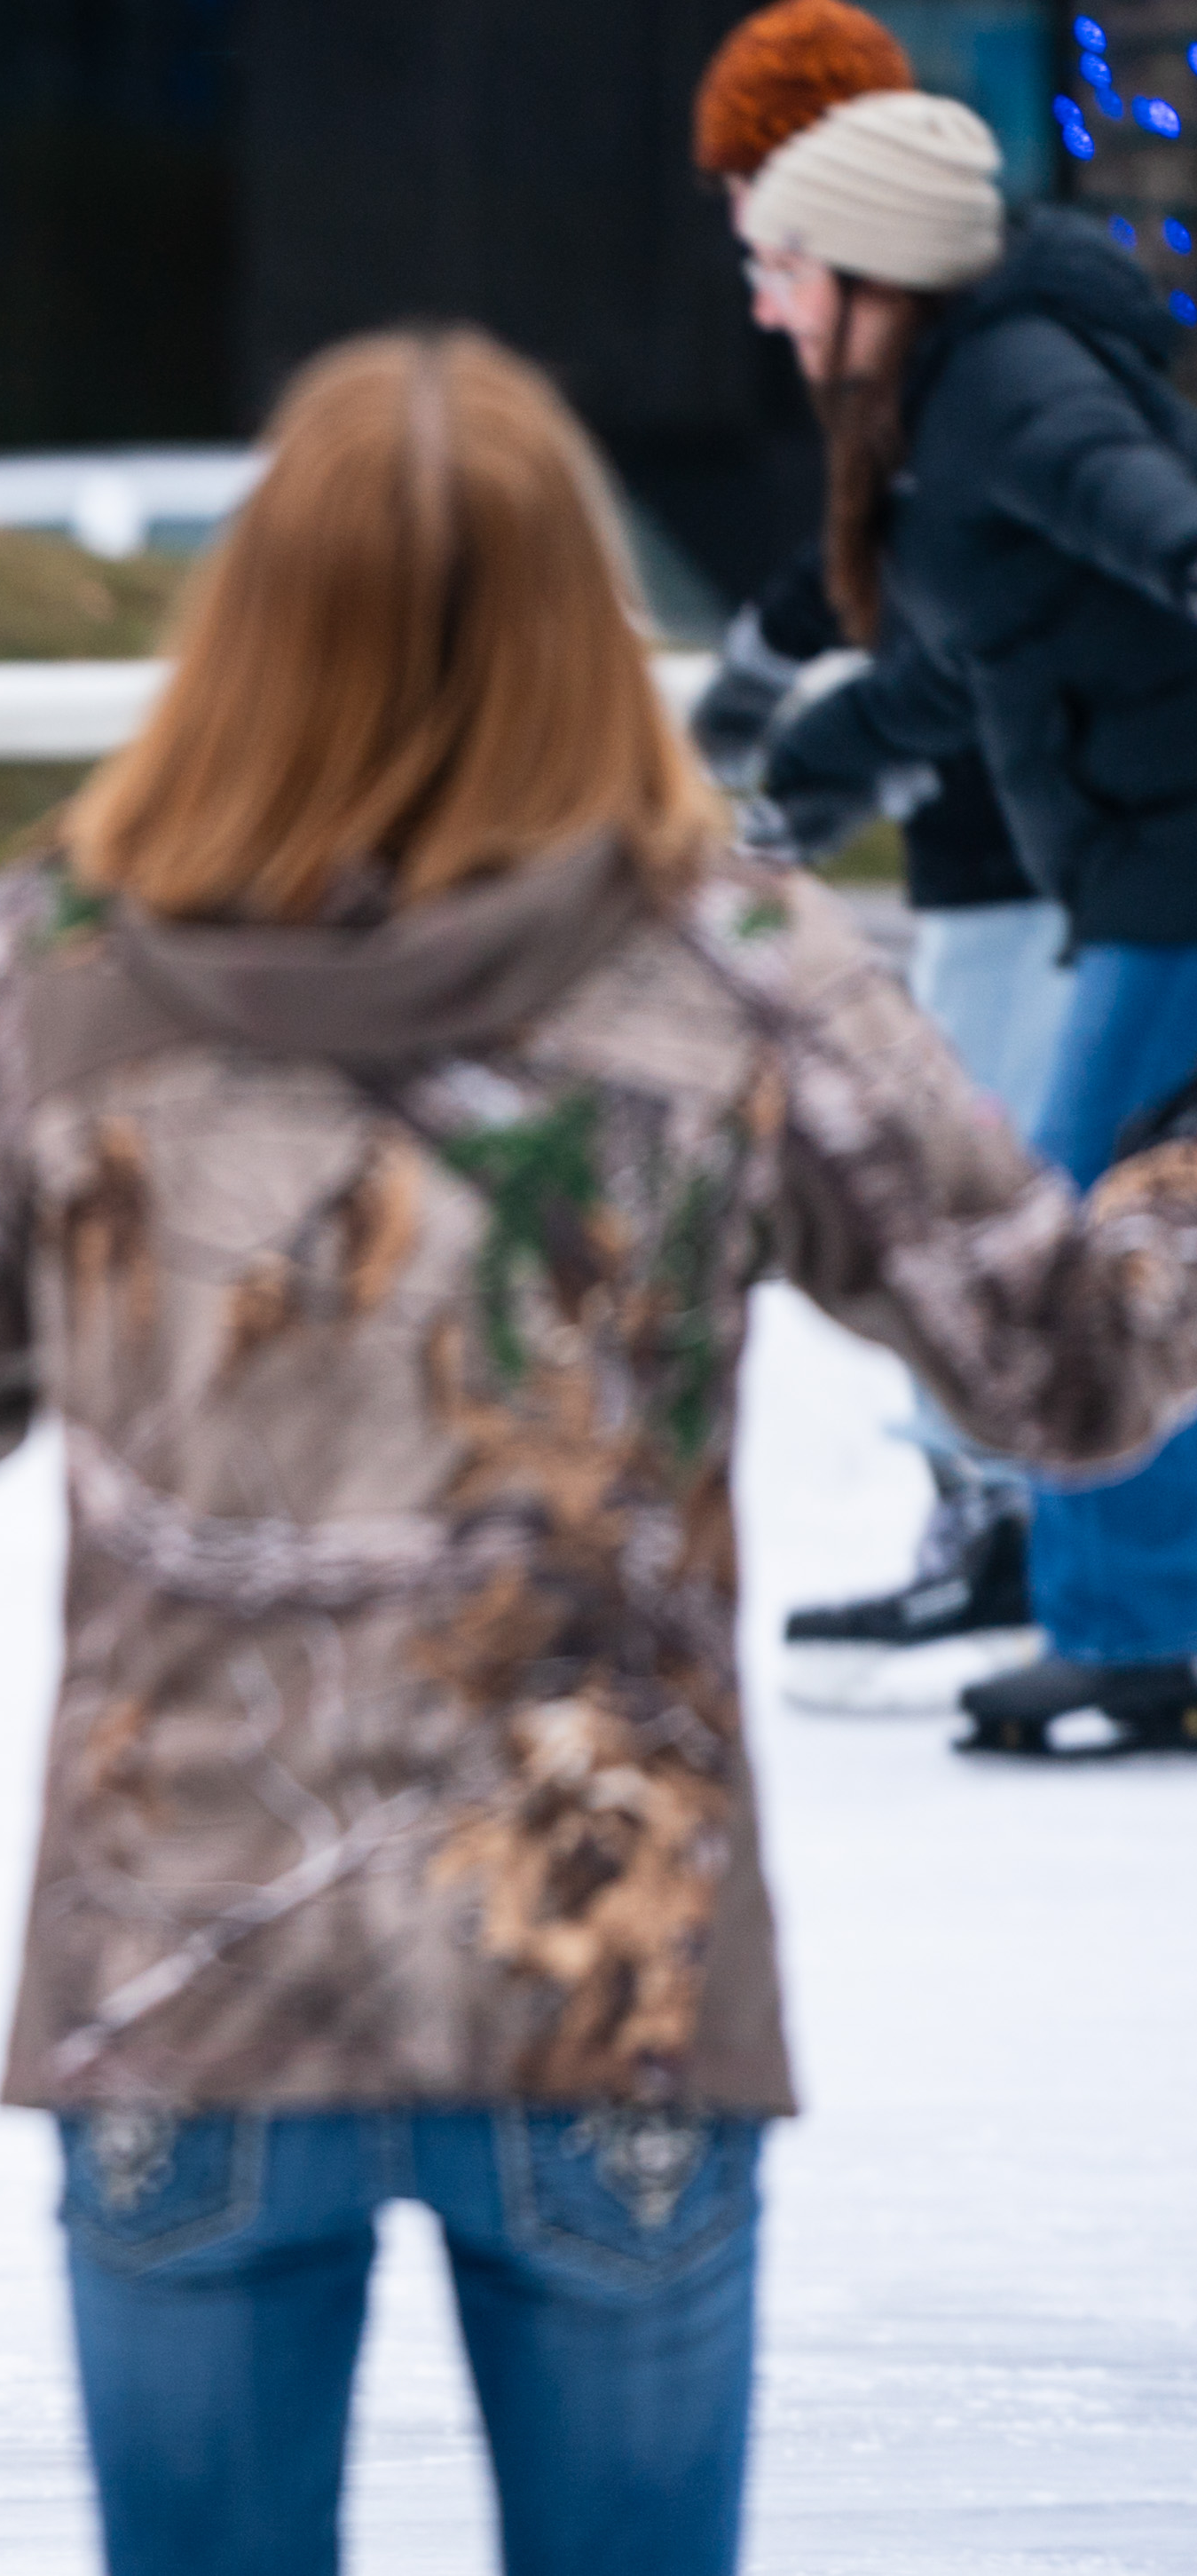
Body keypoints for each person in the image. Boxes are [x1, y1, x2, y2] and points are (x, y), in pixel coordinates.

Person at [0, 328, 1197, 2576]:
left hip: (183, 1970)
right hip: (594, 1962)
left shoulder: (56, 960)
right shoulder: (725, 966)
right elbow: (1062, 1378)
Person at [740, 93, 1197, 1751]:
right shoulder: (953, 399)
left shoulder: (1011, 395)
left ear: (874, 270)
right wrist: (813, 766)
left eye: (779, 265)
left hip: (1177, 869)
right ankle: (1141, 1614)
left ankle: (1145, 1628)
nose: (760, 304)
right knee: (1098, 1223)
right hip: (1144, 868)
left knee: (1078, 1232)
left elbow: (1152, 518)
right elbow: (979, 653)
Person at [683, 1, 1073, 1705]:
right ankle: (992, 1513)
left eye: (755, 204)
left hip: (1032, 842)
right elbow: (855, 560)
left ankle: (1008, 1524)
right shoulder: (904, 336)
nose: (749, 267)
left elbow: (947, 597)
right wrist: (755, 688)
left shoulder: (961, 341)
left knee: (988, 1172)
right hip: (997, 836)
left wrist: (804, 735)